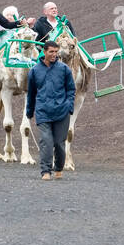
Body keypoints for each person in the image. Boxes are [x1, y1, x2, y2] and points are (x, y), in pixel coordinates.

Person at [25, 39, 76, 180]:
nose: (54, 54)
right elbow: (31, 93)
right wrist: (29, 112)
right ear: (44, 52)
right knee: (46, 141)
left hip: (61, 111)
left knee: (59, 143)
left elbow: (71, 89)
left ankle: (58, 168)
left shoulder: (64, 69)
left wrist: (69, 107)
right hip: (43, 112)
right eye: (51, 52)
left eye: (56, 52)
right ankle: (45, 171)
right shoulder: (34, 71)